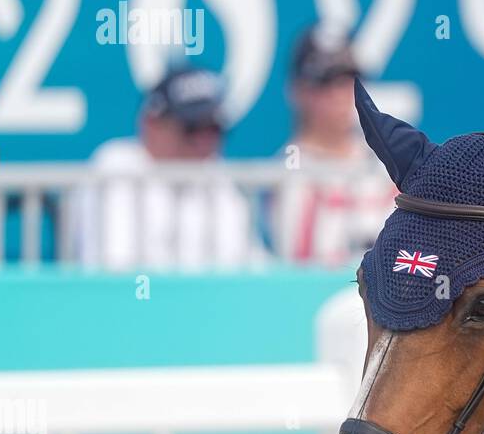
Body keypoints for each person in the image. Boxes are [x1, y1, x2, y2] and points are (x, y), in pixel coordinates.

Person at [72, 67, 267, 270]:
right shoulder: (117, 166)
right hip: (135, 301)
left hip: (208, 300)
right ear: (151, 124)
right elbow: (116, 269)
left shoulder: (217, 177)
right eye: (192, 128)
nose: (205, 141)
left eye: (214, 128)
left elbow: (253, 264)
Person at [271, 25, 395, 266]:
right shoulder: (285, 173)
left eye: (349, 81)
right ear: (298, 91)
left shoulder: (386, 161)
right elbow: (300, 269)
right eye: (326, 83)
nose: (340, 95)